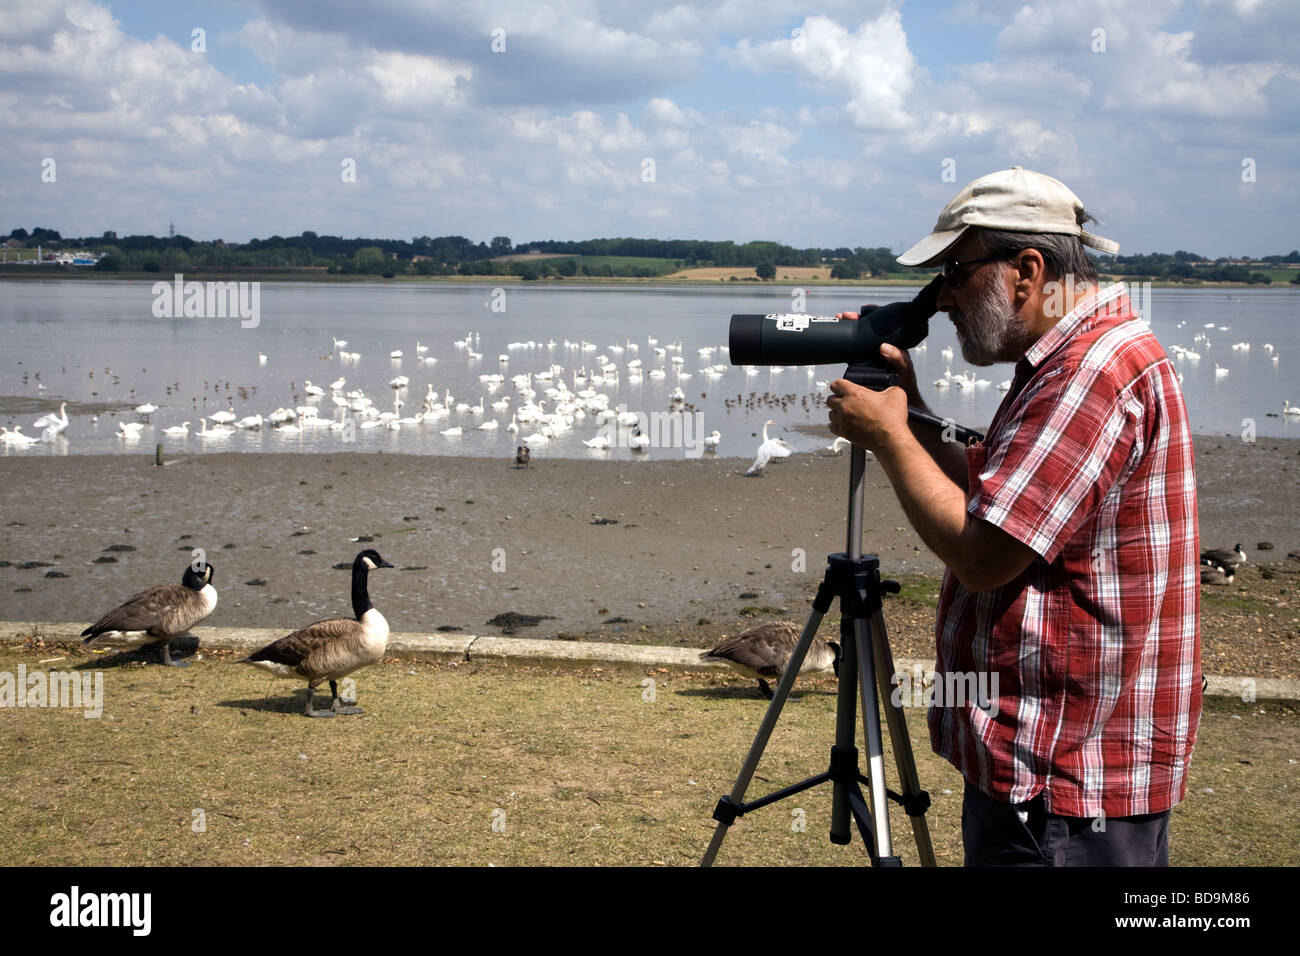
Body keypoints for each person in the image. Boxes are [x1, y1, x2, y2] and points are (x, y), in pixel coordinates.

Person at [826, 167, 1201, 866]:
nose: (939, 300)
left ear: (1027, 271)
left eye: (954, 273)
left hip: (1062, 782)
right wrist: (917, 416)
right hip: (1064, 765)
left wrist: (888, 437)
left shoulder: (1089, 373)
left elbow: (984, 553)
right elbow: (1012, 504)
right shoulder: (1073, 358)